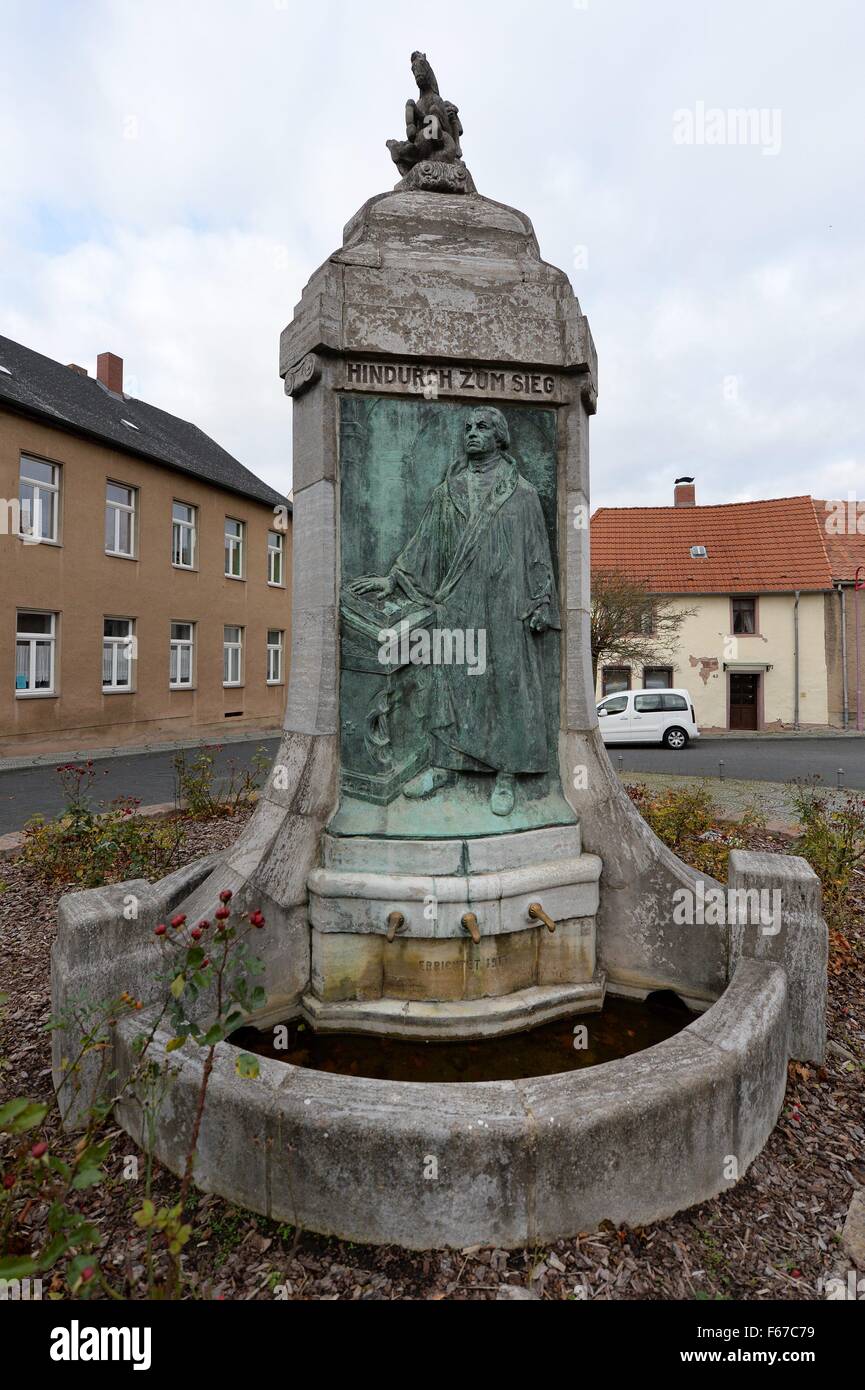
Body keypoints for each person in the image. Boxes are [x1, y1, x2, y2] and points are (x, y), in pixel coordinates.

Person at [349, 407, 560, 817]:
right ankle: (447, 766)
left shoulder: (523, 493)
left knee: (505, 688)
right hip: (458, 602)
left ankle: (506, 773)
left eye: (482, 427)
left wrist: (541, 601)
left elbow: (538, 553)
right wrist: (393, 578)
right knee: (453, 686)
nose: (472, 434)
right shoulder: (449, 490)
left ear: (500, 437)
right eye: (467, 428)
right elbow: (424, 541)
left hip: (506, 606)